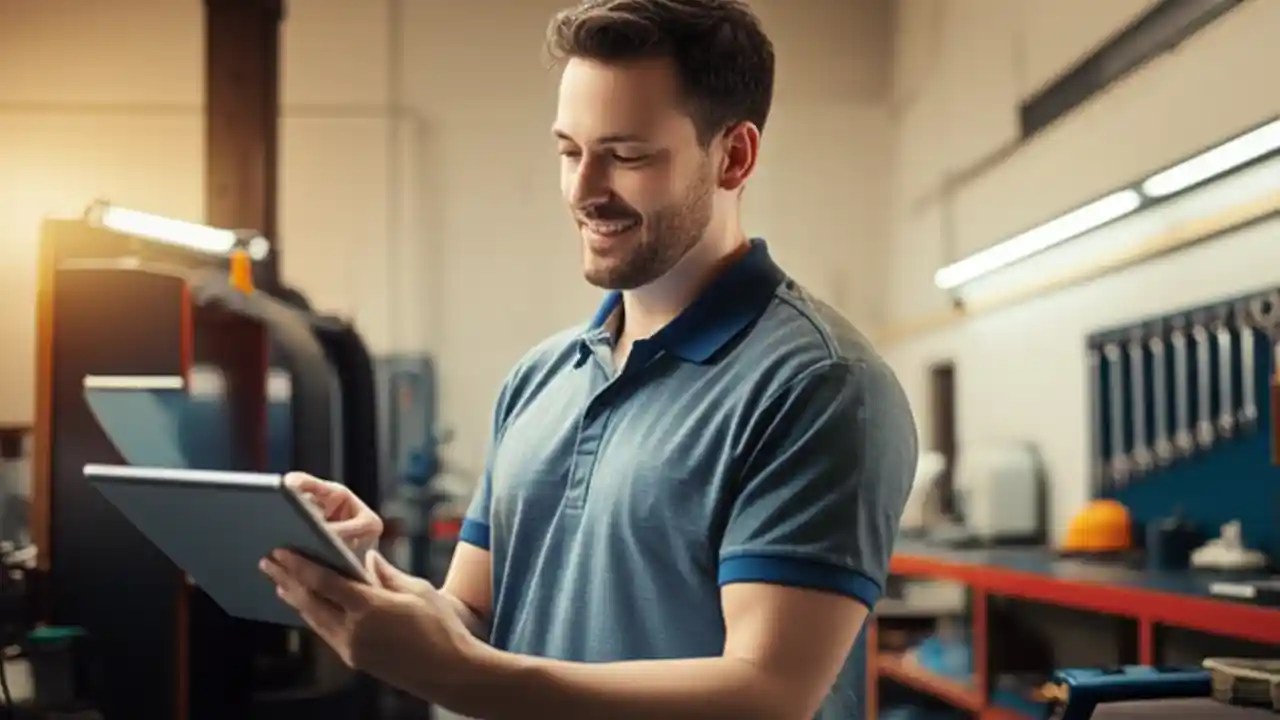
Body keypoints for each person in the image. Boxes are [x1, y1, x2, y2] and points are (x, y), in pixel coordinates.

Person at [259, 1, 918, 717]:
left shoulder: (817, 386)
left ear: (733, 156)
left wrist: (456, 677)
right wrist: (365, 580)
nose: (582, 190)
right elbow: (473, 619)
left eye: (626, 156)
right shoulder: (541, 377)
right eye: (570, 152)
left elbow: (765, 693)